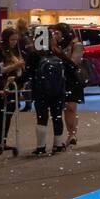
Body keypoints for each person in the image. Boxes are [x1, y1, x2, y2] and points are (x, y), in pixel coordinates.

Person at [27, 27, 68, 156]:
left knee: (42, 117)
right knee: (57, 116)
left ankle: (41, 147)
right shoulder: (57, 52)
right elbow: (70, 67)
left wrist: (16, 81)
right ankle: (57, 145)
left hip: (40, 90)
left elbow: (28, 74)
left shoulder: (34, 54)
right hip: (58, 90)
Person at [0, 28, 26, 153]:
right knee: (2, 113)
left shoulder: (14, 50)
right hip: (0, 85)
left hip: (13, 85)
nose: (14, 42)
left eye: (16, 40)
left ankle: (2, 140)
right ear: (6, 39)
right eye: (12, 39)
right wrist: (15, 66)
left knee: (9, 112)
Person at [55, 23, 86, 147]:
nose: (55, 35)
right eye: (54, 33)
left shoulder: (76, 45)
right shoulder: (55, 46)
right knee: (65, 108)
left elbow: (73, 63)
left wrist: (59, 53)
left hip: (72, 80)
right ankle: (70, 134)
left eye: (57, 33)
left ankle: (72, 134)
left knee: (71, 107)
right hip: (59, 80)